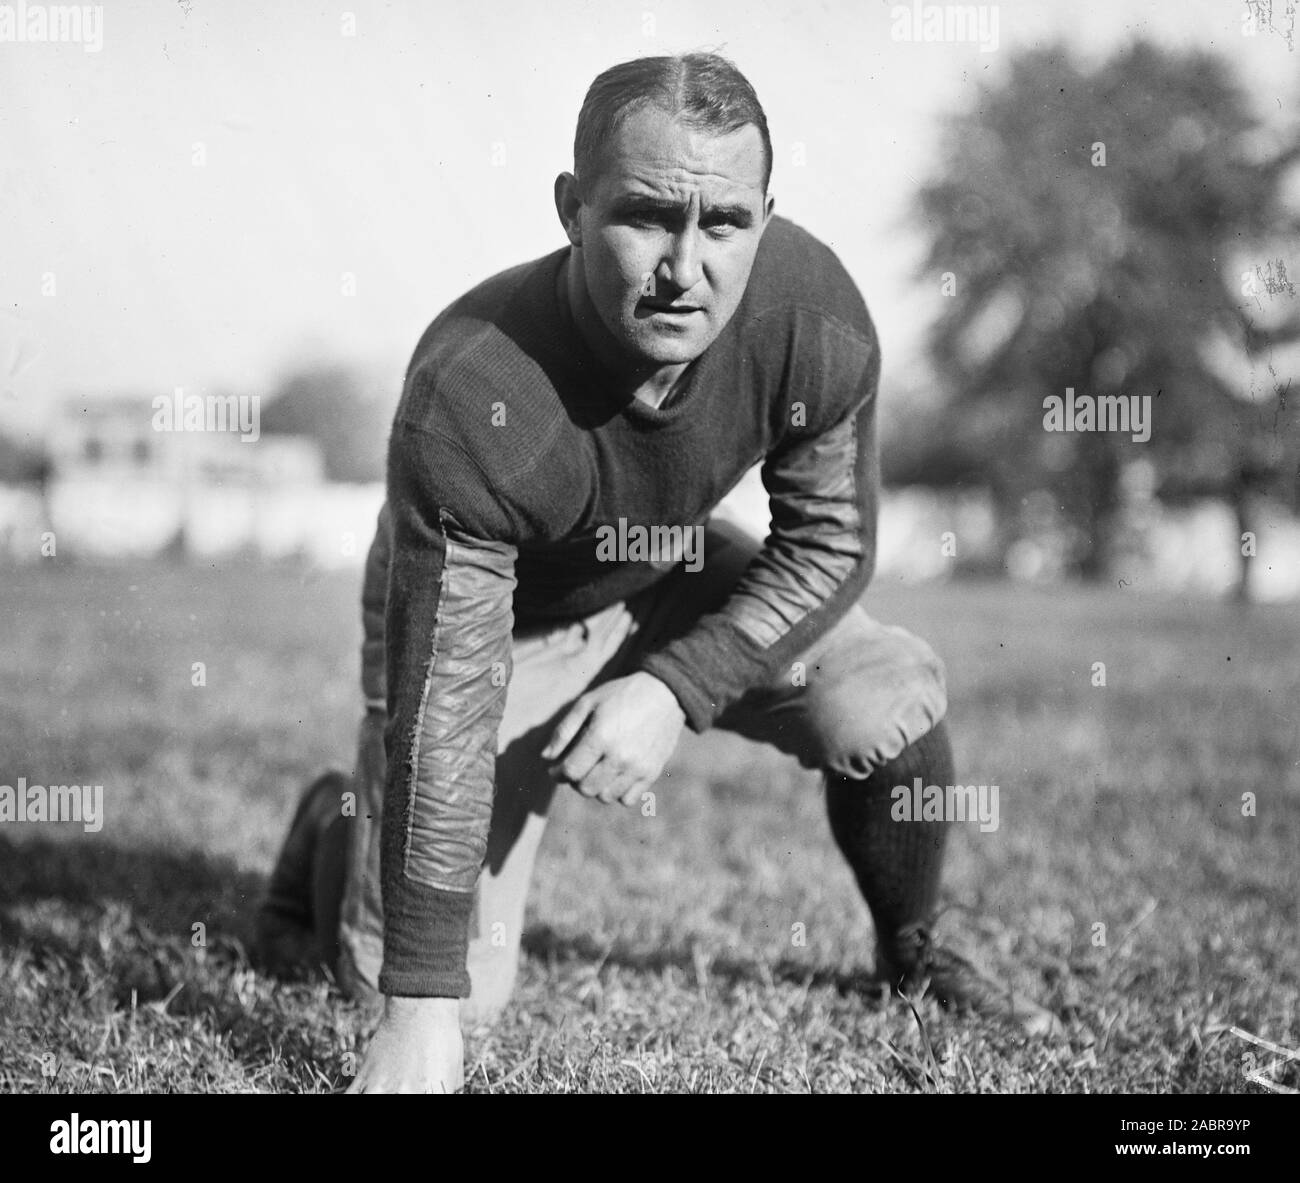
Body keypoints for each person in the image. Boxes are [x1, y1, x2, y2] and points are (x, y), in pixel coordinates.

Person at [255, 51, 1060, 1094]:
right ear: (571, 209)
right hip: (496, 632)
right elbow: (448, 703)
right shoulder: (474, 381)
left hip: (665, 571)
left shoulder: (810, 316)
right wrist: (417, 1011)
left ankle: (912, 945)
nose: (685, 266)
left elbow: (828, 543)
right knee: (425, 998)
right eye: (645, 216)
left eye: (724, 222)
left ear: (764, 217)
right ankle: (336, 822)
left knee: (885, 691)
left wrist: (674, 688)